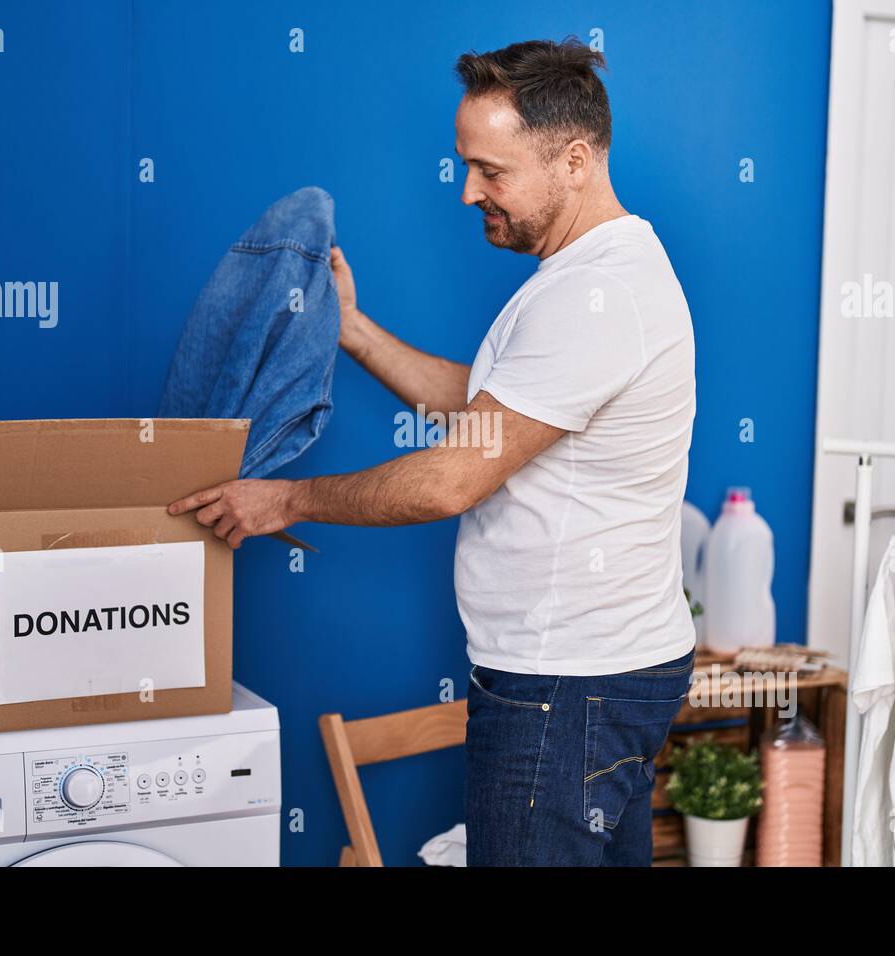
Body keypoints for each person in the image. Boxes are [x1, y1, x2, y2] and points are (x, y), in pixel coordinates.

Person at [168, 37, 698, 866]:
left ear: (573, 161)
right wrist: (352, 330)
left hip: (565, 689)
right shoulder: (587, 276)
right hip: (605, 675)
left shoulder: (599, 297)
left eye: (491, 171)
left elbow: (452, 479)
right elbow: (489, 409)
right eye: (465, 165)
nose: (466, 192)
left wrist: (286, 498)